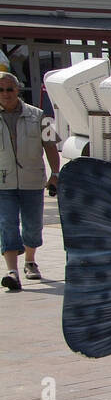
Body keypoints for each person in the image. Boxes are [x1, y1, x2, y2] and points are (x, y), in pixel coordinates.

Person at [0, 72, 59, 291]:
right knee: (7, 224)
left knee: (33, 225)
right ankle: (12, 271)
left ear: (18, 90)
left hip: (32, 181)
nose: (5, 94)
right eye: (1, 90)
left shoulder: (40, 115)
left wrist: (56, 173)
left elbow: (51, 146)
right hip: (3, 182)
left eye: (10, 89)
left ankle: (30, 261)